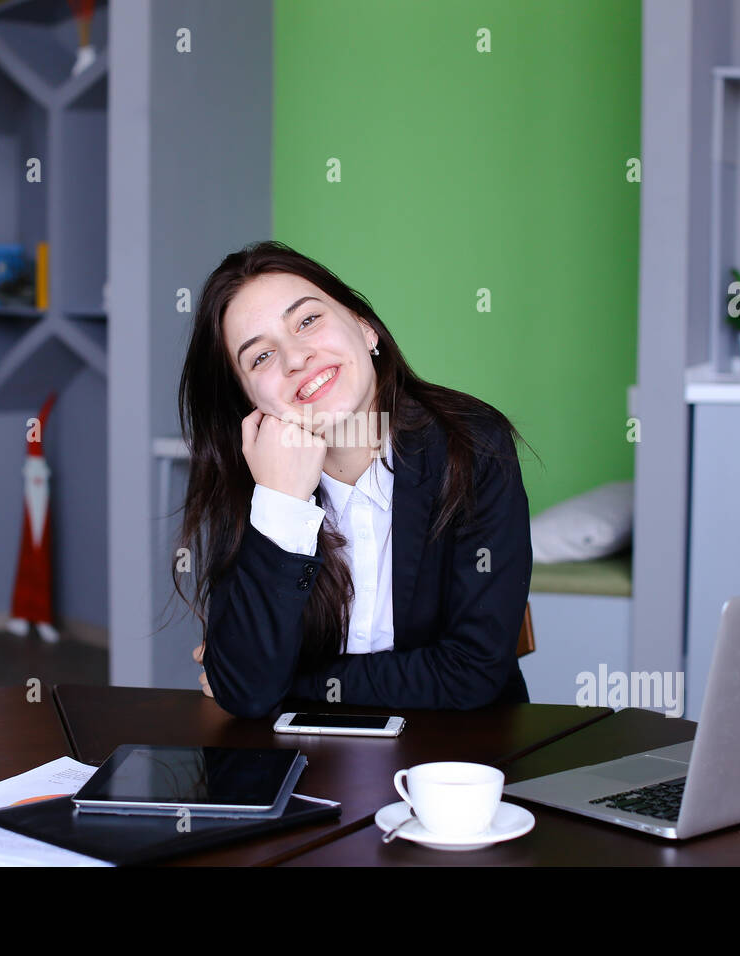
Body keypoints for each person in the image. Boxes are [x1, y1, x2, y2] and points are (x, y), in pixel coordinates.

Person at [175, 240, 532, 719]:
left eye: (307, 321)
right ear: (249, 399)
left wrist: (292, 684)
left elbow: (471, 672)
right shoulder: (253, 476)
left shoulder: (471, 445)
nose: (296, 358)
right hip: (305, 766)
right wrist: (283, 504)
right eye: (260, 357)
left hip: (456, 761)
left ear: (364, 328)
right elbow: (246, 692)